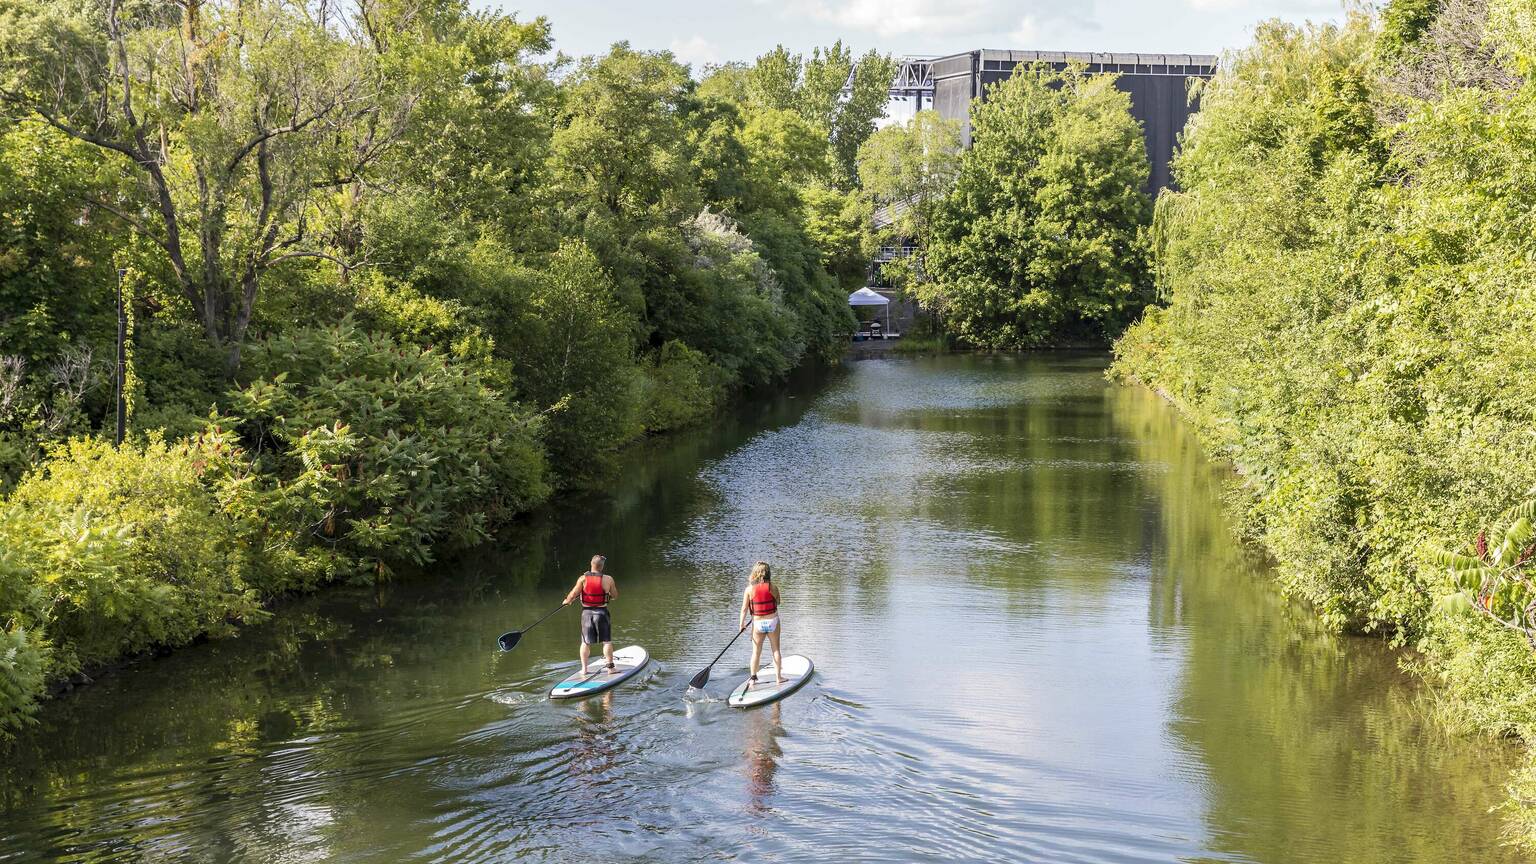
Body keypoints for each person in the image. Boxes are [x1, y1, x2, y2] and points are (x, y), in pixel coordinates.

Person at [563, 555, 618, 674]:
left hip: (586, 613)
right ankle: (611, 668)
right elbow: (615, 595)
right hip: (602, 613)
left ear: (591, 564)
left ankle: (584, 669)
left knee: (585, 642)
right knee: (607, 641)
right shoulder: (608, 579)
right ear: (602, 566)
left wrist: (567, 601)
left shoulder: (582, 579)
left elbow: (573, 594)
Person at [737, 561, 783, 686]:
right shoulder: (773, 587)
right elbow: (778, 602)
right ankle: (778, 678)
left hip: (757, 624)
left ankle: (753, 678)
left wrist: (741, 625)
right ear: (768, 573)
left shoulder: (749, 589)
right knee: (776, 650)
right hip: (773, 622)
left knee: (756, 652)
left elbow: (744, 609)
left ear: (755, 573)